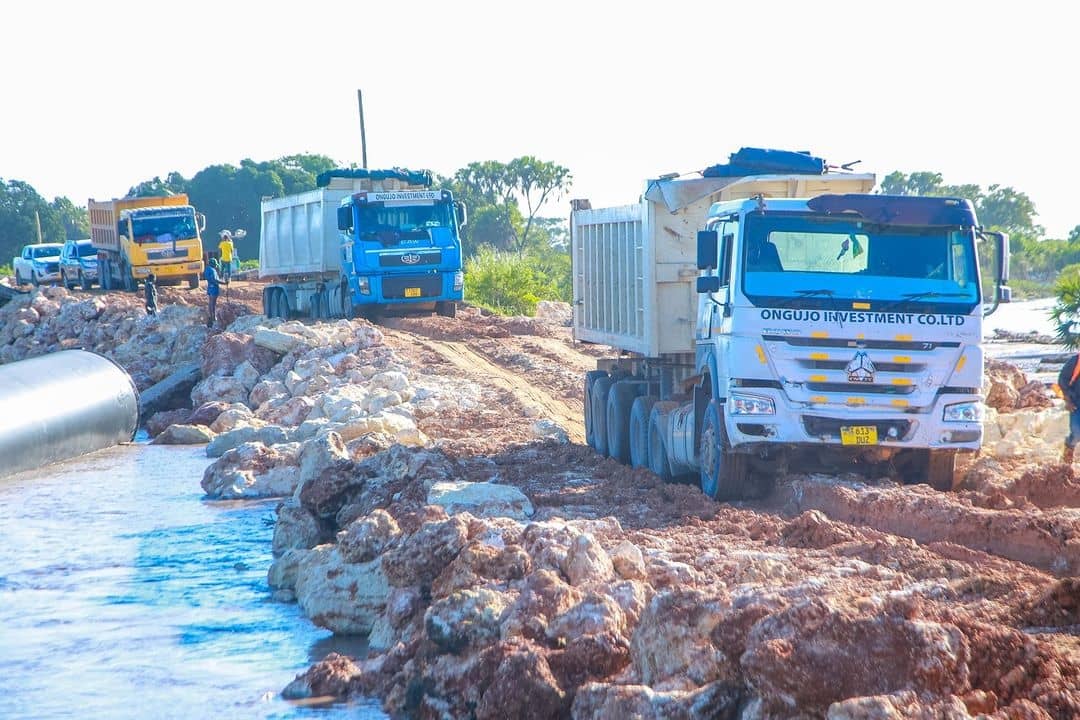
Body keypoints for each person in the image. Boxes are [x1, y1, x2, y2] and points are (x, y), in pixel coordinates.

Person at [1057, 352, 1080, 465]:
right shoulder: (1076, 361)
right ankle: (1068, 450)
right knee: (1077, 432)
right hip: (1077, 402)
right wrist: (1068, 399)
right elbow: (1062, 380)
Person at [205, 258, 226, 328]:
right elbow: (215, 280)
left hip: (210, 288)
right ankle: (213, 318)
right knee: (213, 304)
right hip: (214, 288)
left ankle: (211, 317)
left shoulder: (207, 269)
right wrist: (224, 283)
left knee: (210, 303)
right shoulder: (212, 270)